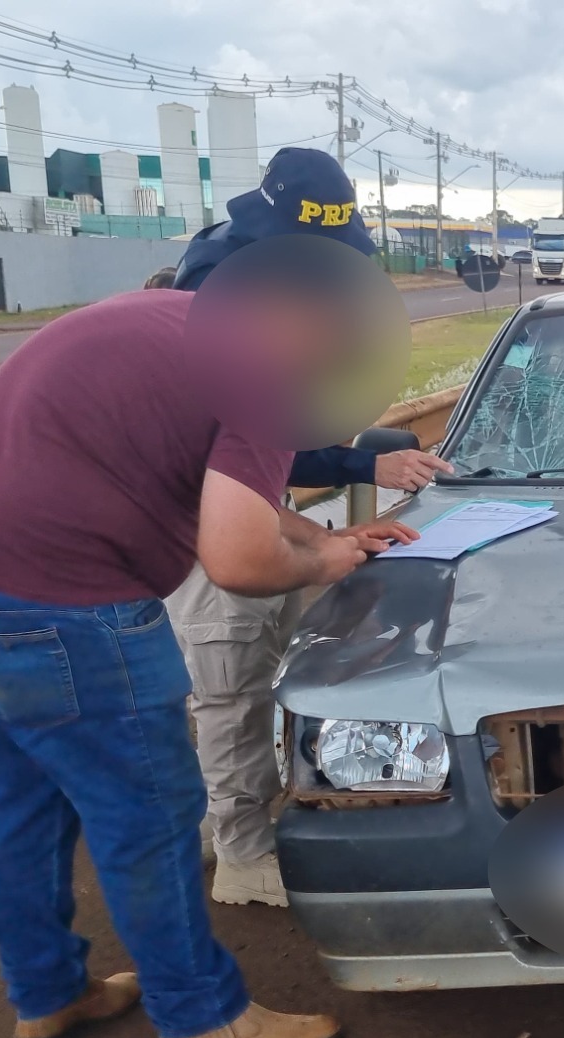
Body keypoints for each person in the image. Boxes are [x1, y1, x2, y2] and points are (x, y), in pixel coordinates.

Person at [0, 274, 416, 1038]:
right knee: (144, 808)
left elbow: (234, 496)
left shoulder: (169, 317)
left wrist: (329, 546)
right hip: (59, 599)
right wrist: (314, 565)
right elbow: (239, 556)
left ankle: (46, 994)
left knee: (20, 797)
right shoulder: (269, 380)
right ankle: (201, 1014)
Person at [165, 149, 450, 908]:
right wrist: (340, 506)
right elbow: (249, 439)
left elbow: (276, 440)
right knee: (229, 681)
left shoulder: (265, 288)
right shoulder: (223, 300)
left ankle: (222, 819)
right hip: (204, 518)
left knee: (274, 668)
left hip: (245, 499)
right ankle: (243, 853)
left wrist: (353, 476)